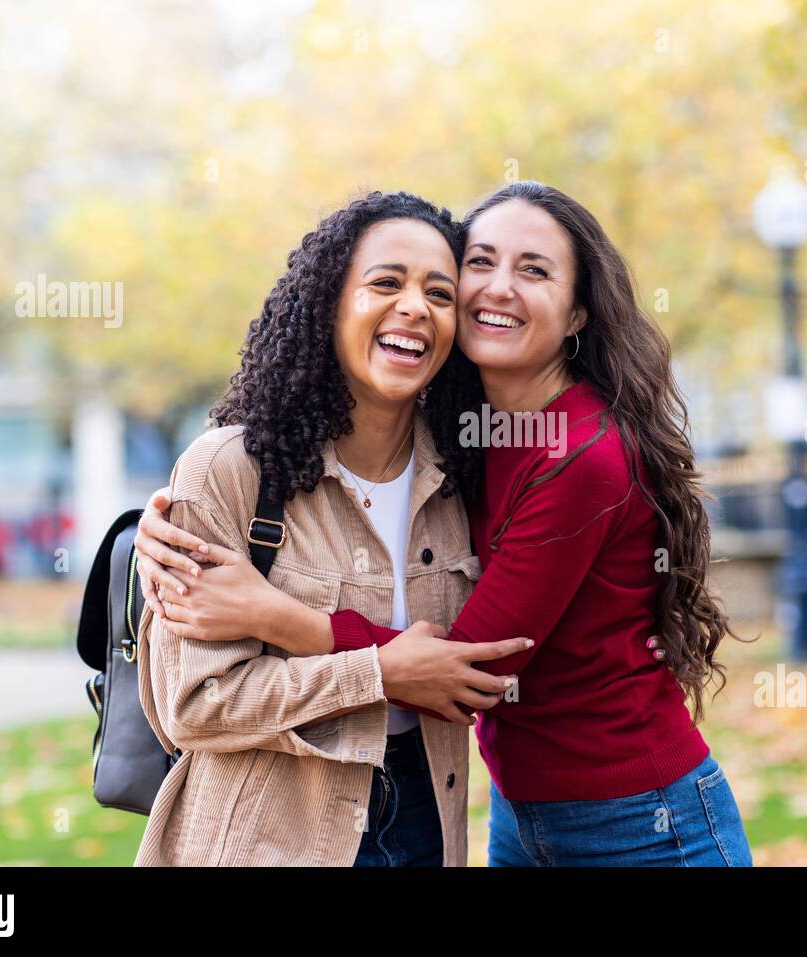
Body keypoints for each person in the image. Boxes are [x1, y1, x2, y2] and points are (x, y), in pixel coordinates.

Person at [138, 182, 754, 866]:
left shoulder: (545, 459)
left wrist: (280, 617)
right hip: (442, 824)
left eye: (534, 270)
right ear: (329, 301)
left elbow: (467, 667)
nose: (495, 289)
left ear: (578, 312)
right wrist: (160, 527)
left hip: (632, 821)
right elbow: (193, 700)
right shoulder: (465, 444)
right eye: (480, 264)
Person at [132, 190, 528, 867]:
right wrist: (377, 673)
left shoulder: (467, 475)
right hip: (267, 834)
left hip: (427, 825)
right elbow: (195, 703)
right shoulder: (233, 469)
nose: (414, 306)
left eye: (439, 293)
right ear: (330, 304)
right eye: (386, 282)